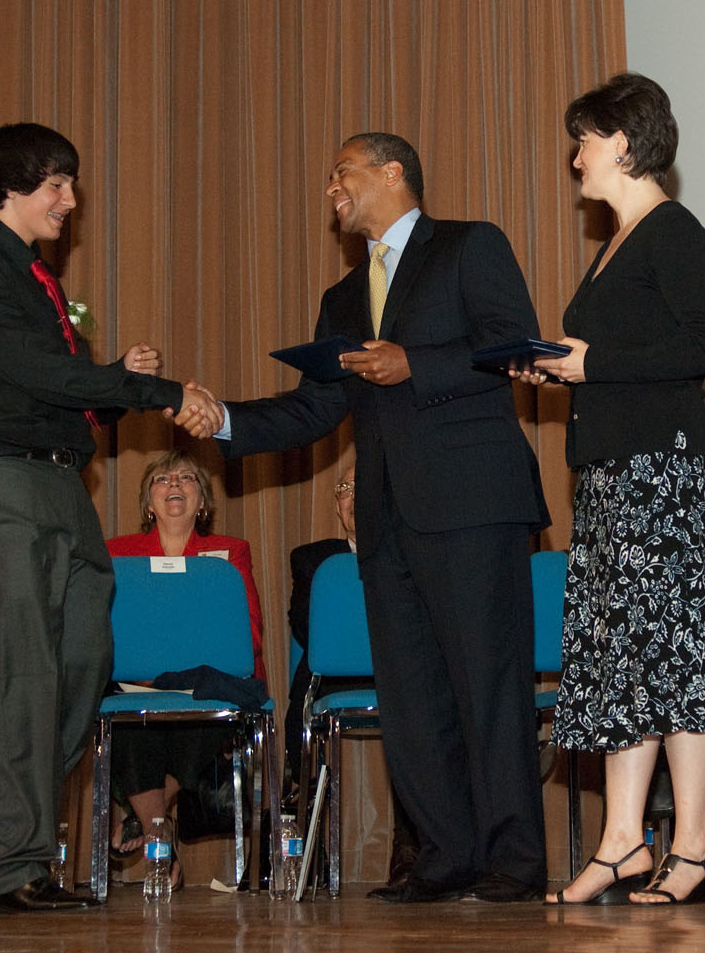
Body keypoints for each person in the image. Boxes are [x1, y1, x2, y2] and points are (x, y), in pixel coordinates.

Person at [176, 131, 550, 903]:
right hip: (385, 518)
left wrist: (417, 363)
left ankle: (513, 860)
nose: (331, 190)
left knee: (490, 683)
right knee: (412, 698)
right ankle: (444, 856)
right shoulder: (342, 299)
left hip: (474, 503)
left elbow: (509, 344)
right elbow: (316, 409)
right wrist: (223, 422)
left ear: (392, 173)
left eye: (340, 172)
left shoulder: (468, 246)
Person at [0, 121, 210, 912]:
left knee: (83, 664)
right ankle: (14, 865)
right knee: (24, 671)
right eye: (57, 184)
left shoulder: (34, 277)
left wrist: (114, 385)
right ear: (12, 187)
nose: (70, 199)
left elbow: (53, 385)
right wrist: (145, 389)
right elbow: (32, 371)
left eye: (71, 184)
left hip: (59, 482)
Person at [514, 74, 705, 906]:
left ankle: (691, 845)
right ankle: (621, 841)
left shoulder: (675, 233)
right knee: (622, 659)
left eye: (584, 139)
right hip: (615, 473)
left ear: (623, 141)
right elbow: (622, 358)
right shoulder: (616, 243)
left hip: (664, 472)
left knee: (677, 653)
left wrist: (595, 365)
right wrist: (559, 372)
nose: (574, 156)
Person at [104, 450, 264, 890]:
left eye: (187, 477)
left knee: (204, 720)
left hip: (207, 688)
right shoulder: (117, 555)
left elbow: (248, 633)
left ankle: (147, 824)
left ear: (203, 501)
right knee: (127, 722)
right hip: (132, 686)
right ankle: (161, 834)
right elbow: (103, 631)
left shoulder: (231, 552)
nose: (174, 483)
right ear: (148, 502)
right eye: (161, 478)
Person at [284, 462, 420, 884]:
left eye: (368, 487)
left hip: (398, 670)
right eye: (346, 489)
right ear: (337, 505)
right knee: (299, 701)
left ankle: (412, 845)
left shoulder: (412, 552)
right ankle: (308, 844)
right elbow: (305, 627)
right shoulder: (313, 560)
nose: (356, 498)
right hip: (333, 676)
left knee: (426, 703)